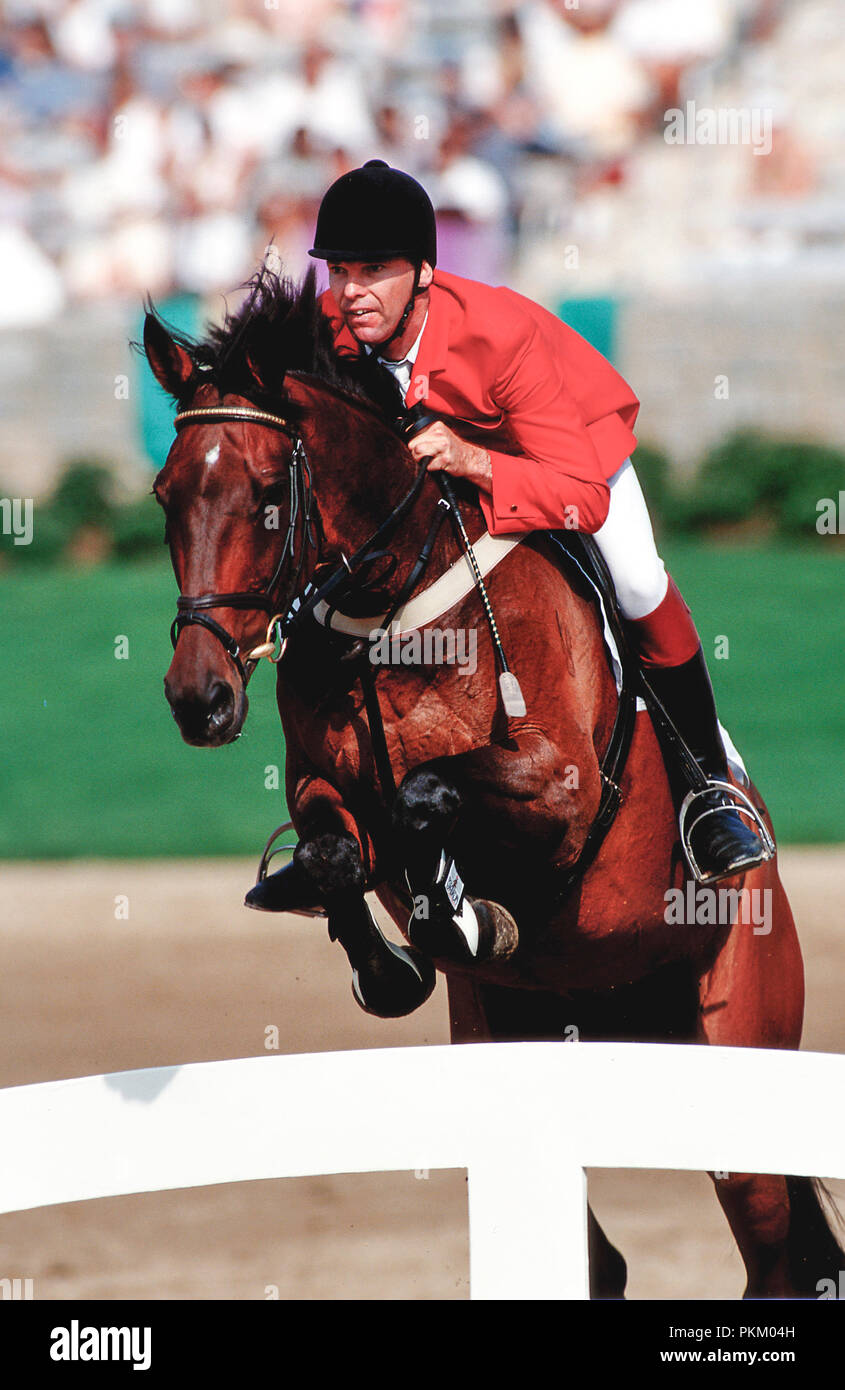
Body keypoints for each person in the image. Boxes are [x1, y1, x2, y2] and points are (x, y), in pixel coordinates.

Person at [307, 158, 768, 885]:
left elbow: (581, 497)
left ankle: (708, 786)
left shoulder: (501, 334)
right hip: (462, 475)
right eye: (338, 271)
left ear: (424, 271)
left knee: (637, 582)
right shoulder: (333, 329)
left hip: (570, 454)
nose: (351, 292)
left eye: (373, 270)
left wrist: (475, 461)